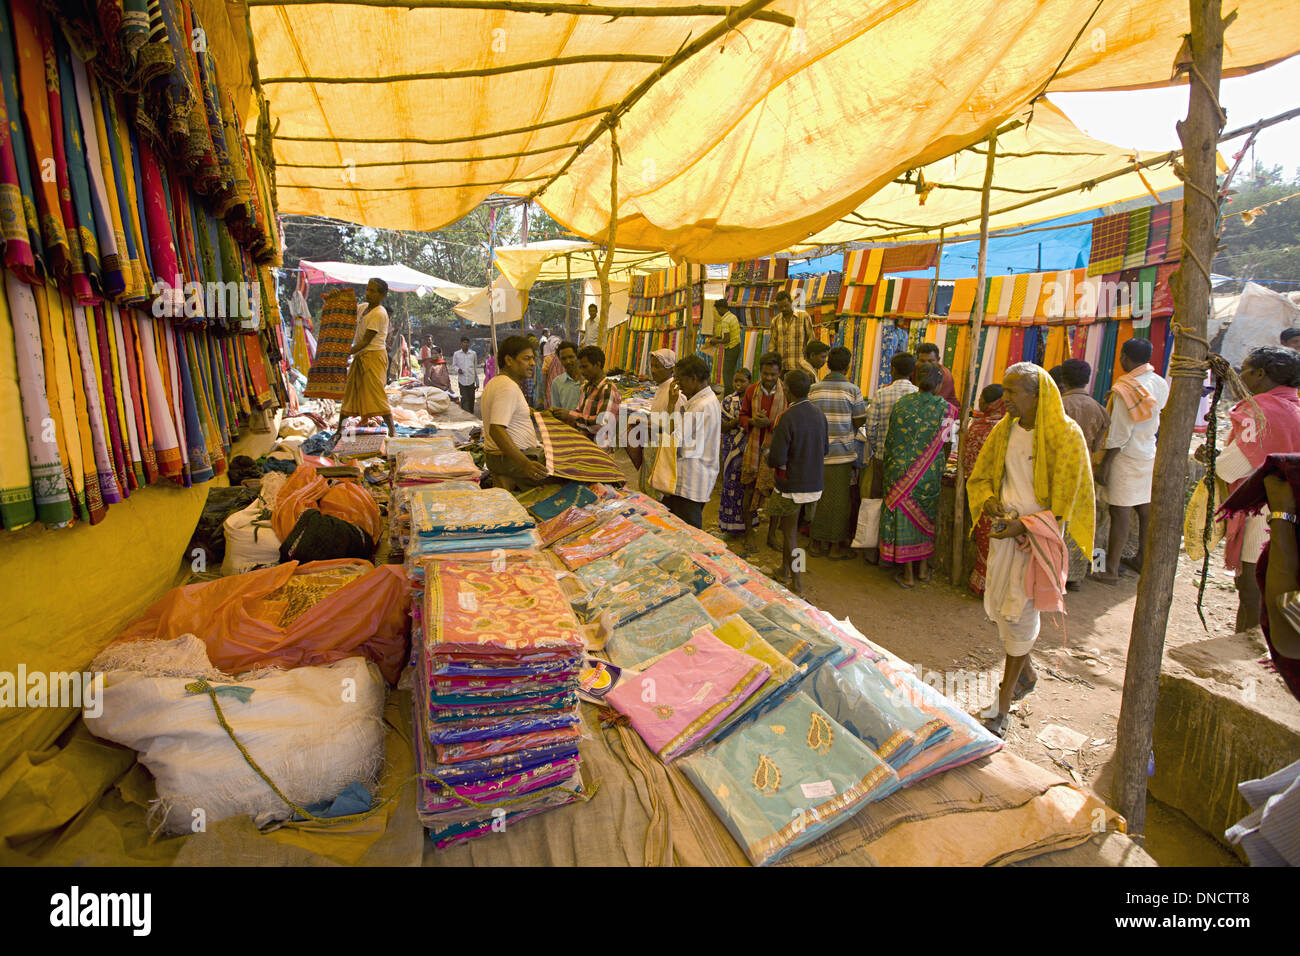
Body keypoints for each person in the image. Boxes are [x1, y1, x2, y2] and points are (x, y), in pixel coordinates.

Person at [967, 363, 1093, 738]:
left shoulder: (1065, 436)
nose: (1005, 399)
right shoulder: (1004, 431)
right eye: (1004, 391)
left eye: (1012, 392)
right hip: (1005, 531)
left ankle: (1003, 704)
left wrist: (1024, 526)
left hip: (1037, 538)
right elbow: (983, 475)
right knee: (1006, 609)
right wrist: (989, 501)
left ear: (1038, 395)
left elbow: (1066, 502)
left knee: (1019, 611)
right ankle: (1027, 674)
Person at [1206, 346, 1300, 631]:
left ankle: (1248, 649)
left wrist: (1213, 459)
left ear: (1261, 373)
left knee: (1252, 588)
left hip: (1268, 514)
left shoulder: (1261, 412)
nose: (1241, 375)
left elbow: (1229, 469)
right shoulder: (1292, 409)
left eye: (1245, 369)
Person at [1095, 338, 1170, 585]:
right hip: (1147, 452)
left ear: (1124, 356)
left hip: (1125, 458)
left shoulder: (1125, 388)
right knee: (1144, 509)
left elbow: (1119, 433)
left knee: (1119, 512)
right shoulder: (1159, 382)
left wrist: (1105, 463)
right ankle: (1141, 559)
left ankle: (1111, 570)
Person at [880, 362, 955, 588]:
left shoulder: (902, 404)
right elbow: (947, 443)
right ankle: (923, 570)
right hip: (929, 473)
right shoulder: (947, 410)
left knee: (904, 519)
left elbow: (891, 439)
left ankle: (908, 574)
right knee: (925, 519)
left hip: (900, 471)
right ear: (940, 384)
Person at [764, 369, 829, 596]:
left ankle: (798, 582)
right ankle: (784, 571)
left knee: (790, 534)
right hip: (814, 483)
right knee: (792, 531)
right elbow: (825, 449)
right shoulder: (819, 414)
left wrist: (767, 454)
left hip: (792, 485)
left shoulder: (786, 417)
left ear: (787, 390)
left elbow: (777, 459)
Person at [1053, 358, 1111, 590]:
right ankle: (1086, 572)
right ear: (1088, 380)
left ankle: (1058, 574)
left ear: (1063, 380)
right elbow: (1102, 445)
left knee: (1061, 522)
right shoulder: (1101, 410)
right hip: (1088, 473)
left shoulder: (1058, 407)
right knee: (1091, 523)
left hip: (1061, 473)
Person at [808, 346, 867, 558]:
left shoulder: (814, 389)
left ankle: (815, 543)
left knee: (817, 498)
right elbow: (860, 419)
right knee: (840, 501)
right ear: (847, 366)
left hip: (816, 454)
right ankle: (834, 547)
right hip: (842, 453)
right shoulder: (852, 390)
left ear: (828, 365)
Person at [859, 351, 917, 564]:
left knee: (876, 503)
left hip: (883, 459)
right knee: (901, 507)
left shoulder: (882, 394)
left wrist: (876, 450)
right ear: (912, 372)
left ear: (892, 370)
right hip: (909, 463)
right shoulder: (918, 395)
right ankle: (895, 554)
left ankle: (872, 550)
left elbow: (871, 427)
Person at [481, 335, 549, 490]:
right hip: (511, 462)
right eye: (526, 359)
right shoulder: (507, 387)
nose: (532, 363)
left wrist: (534, 413)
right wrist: (525, 464)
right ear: (509, 360)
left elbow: (510, 413)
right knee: (574, 471)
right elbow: (496, 429)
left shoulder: (497, 383)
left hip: (503, 460)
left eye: (533, 358)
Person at [660, 354, 720, 529]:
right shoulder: (705, 401)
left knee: (687, 535)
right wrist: (671, 405)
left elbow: (675, 441)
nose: (678, 386)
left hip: (689, 484)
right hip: (692, 481)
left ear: (693, 379)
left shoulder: (701, 406)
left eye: (680, 380)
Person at [739, 352, 786, 555]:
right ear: (760, 372)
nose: (769, 378)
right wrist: (752, 422)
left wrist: (772, 424)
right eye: (766, 374)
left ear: (779, 373)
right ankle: (749, 533)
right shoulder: (751, 391)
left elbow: (790, 422)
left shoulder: (787, 392)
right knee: (749, 490)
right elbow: (742, 416)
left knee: (776, 494)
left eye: (773, 375)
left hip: (777, 450)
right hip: (755, 448)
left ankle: (772, 535)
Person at [336, 277, 395, 439]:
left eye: (373, 291)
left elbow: (365, 341)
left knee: (377, 394)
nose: (368, 293)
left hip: (374, 357)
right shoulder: (364, 308)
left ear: (382, 295)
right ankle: (339, 430)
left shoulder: (379, 313)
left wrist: (344, 353)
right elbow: (346, 312)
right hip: (361, 357)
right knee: (350, 393)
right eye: (367, 289)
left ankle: (393, 431)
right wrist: (332, 303)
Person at [964, 383, 1007, 596]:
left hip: (983, 496)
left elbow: (968, 464)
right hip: (1009, 497)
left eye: (981, 398)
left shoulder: (979, 428)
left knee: (985, 540)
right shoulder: (1012, 428)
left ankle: (983, 585)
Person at [628, 349, 685, 493]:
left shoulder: (674, 392)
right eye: (652, 366)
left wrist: (648, 425)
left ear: (671, 369)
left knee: (658, 493)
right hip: (653, 448)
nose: (653, 370)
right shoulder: (662, 388)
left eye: (657, 367)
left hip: (662, 453)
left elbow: (675, 428)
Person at [553, 345, 620, 447]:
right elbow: (579, 413)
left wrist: (570, 415)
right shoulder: (587, 387)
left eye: (585, 367)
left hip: (599, 448)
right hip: (584, 443)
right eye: (580, 367)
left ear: (597, 365)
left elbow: (602, 423)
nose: (582, 371)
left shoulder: (608, 389)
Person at [717, 367, 753, 537]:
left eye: (742, 381)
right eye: (736, 381)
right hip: (730, 450)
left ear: (749, 382)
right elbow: (721, 427)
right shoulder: (727, 401)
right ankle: (729, 525)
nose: (738, 385)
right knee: (730, 484)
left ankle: (747, 525)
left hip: (748, 450)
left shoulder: (753, 400)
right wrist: (736, 422)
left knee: (746, 487)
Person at [770, 290, 814, 375]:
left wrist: (809, 364)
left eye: (786, 306)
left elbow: (811, 340)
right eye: (781, 307)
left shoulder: (804, 316)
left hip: (801, 367)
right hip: (783, 368)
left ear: (791, 302)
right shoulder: (775, 321)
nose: (783, 309)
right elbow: (772, 345)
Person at [707, 299, 742, 389]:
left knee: (727, 374)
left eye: (718, 310)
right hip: (736, 346)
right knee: (731, 371)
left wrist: (715, 341)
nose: (718, 312)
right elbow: (730, 335)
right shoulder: (733, 316)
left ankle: (728, 394)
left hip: (731, 349)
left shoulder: (725, 320)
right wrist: (719, 338)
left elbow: (726, 339)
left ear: (721, 308)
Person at [548, 341, 582, 412]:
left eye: (571, 357)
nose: (568, 361)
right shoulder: (557, 382)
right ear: (559, 360)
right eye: (563, 359)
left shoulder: (587, 380)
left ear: (577, 357)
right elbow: (556, 410)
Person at [450, 336, 478, 413]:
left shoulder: (473, 354)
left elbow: (475, 367)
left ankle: (471, 412)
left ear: (469, 344)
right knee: (464, 398)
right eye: (464, 342)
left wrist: (477, 382)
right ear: (461, 344)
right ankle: (465, 414)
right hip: (462, 380)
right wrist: (458, 369)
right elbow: (454, 365)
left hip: (471, 380)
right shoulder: (456, 354)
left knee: (471, 398)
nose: (465, 344)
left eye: (467, 342)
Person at [521, 333, 543, 408]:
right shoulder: (529, 356)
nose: (537, 344)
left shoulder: (537, 355)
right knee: (530, 397)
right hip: (531, 379)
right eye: (535, 343)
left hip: (538, 380)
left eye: (537, 342)